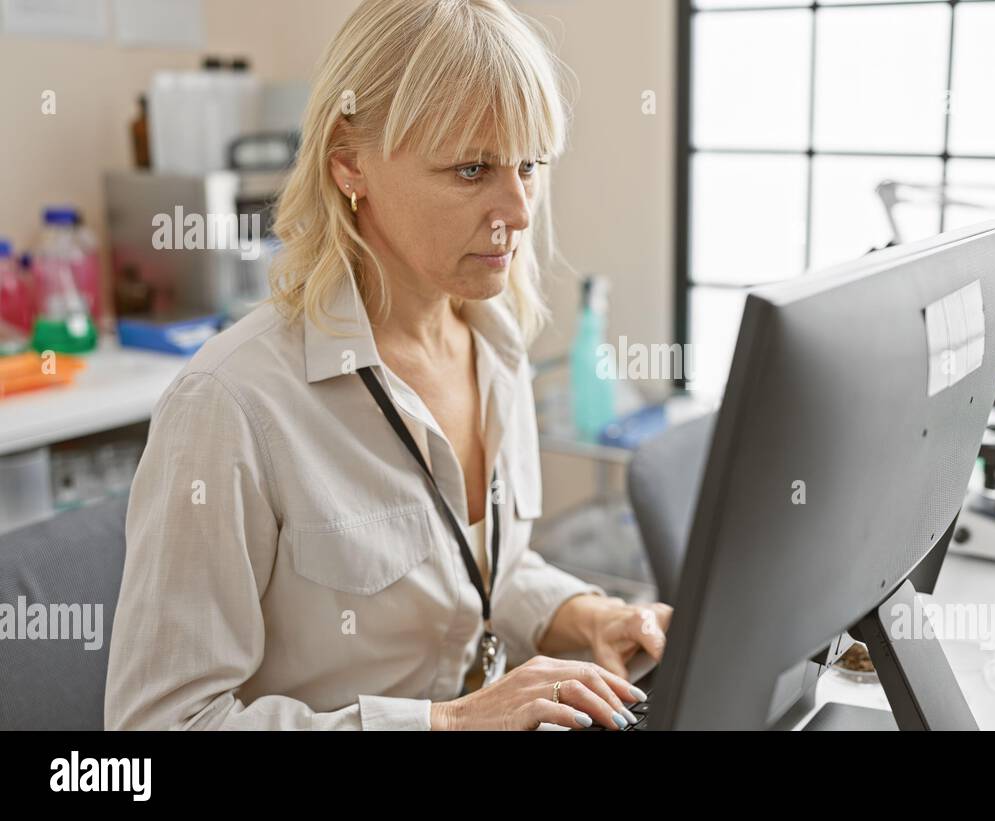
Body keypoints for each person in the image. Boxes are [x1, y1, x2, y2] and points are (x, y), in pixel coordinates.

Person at [105, 0, 671, 731]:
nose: (520, 210)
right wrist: (448, 723)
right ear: (349, 164)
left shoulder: (493, 342)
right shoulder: (229, 404)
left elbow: (472, 572)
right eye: (472, 169)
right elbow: (157, 727)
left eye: (529, 165)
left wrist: (584, 615)